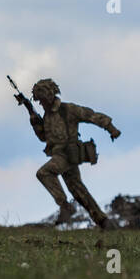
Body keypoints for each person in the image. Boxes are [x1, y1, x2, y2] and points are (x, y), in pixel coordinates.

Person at [28, 78, 120, 229]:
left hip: (66, 154)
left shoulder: (67, 110)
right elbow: (44, 138)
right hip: (59, 155)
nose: (41, 104)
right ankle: (104, 222)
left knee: (44, 173)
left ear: (49, 96)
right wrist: (34, 120)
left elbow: (91, 115)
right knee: (78, 190)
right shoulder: (47, 116)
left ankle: (65, 206)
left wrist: (110, 128)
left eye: (42, 100)